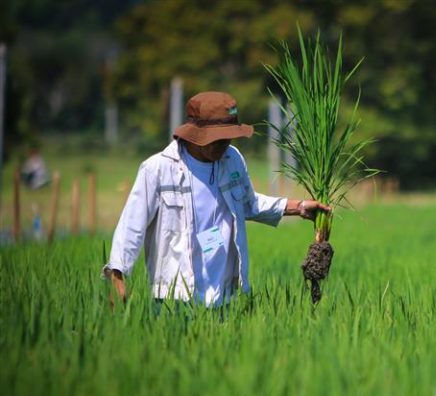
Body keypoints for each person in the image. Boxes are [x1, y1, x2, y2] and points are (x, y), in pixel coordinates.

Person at [103, 91, 330, 307]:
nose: (224, 145)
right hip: (175, 294)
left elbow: (248, 203)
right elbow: (132, 226)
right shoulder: (159, 169)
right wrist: (117, 275)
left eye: (228, 139)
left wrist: (298, 207)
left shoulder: (232, 159)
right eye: (218, 139)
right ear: (195, 134)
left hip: (223, 294)